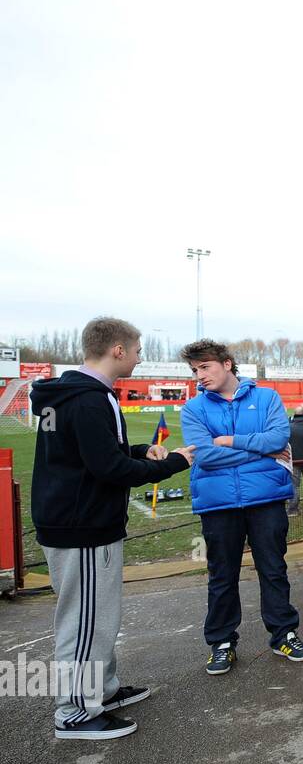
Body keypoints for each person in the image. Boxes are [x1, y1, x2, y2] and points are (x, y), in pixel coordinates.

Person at [30, 317, 194, 740]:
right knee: (85, 623)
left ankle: (100, 691)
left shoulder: (77, 394)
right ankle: (75, 713)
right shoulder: (88, 399)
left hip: (78, 521)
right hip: (82, 526)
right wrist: (173, 462)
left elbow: (93, 452)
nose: (140, 359)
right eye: (137, 351)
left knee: (98, 618)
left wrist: (143, 449)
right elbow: (108, 468)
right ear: (117, 350)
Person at [180, 339, 303, 675]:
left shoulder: (266, 398)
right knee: (222, 576)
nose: (200, 376)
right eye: (195, 370)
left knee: (273, 569)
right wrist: (258, 452)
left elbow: (278, 441)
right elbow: (205, 457)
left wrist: (231, 441)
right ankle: (222, 642)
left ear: (226, 363)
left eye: (205, 367)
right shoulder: (194, 409)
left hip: (265, 499)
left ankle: (284, 633)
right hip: (218, 504)